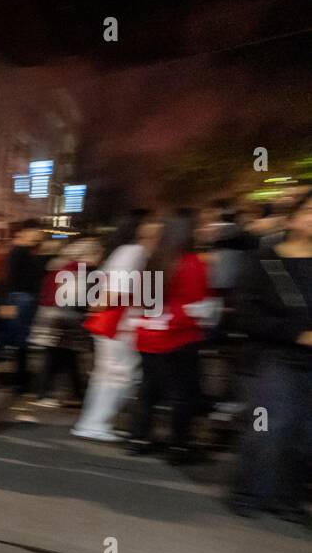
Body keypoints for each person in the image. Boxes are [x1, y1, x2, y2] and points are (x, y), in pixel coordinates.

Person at [228, 189, 312, 523]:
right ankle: (248, 492)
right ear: (292, 217)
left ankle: (287, 498)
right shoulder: (267, 260)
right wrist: (296, 334)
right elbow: (245, 315)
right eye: (309, 210)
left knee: (306, 434)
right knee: (269, 426)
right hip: (274, 358)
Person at [128, 214, 210, 463]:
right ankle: (179, 445)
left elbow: (143, 301)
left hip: (148, 335)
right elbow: (196, 304)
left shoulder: (153, 260)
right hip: (179, 337)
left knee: (148, 389)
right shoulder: (191, 262)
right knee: (181, 394)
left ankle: (139, 438)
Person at [72, 213, 156, 441]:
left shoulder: (125, 251)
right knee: (118, 376)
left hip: (114, 324)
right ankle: (97, 423)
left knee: (107, 375)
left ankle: (94, 422)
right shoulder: (134, 253)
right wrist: (100, 305)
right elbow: (115, 290)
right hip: (117, 325)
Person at [30, 236, 100, 407]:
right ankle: (44, 394)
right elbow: (73, 299)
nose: (100, 257)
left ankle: (75, 394)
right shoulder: (77, 270)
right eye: (97, 253)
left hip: (55, 318)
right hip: (62, 321)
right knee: (56, 358)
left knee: (66, 358)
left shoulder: (61, 265)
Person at [0, 220, 49, 394]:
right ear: (27, 232)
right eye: (36, 231)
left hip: (27, 300)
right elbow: (8, 278)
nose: (39, 235)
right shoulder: (19, 251)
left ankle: (21, 379)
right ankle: (20, 380)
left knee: (18, 340)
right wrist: (6, 302)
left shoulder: (32, 252)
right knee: (18, 340)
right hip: (20, 299)